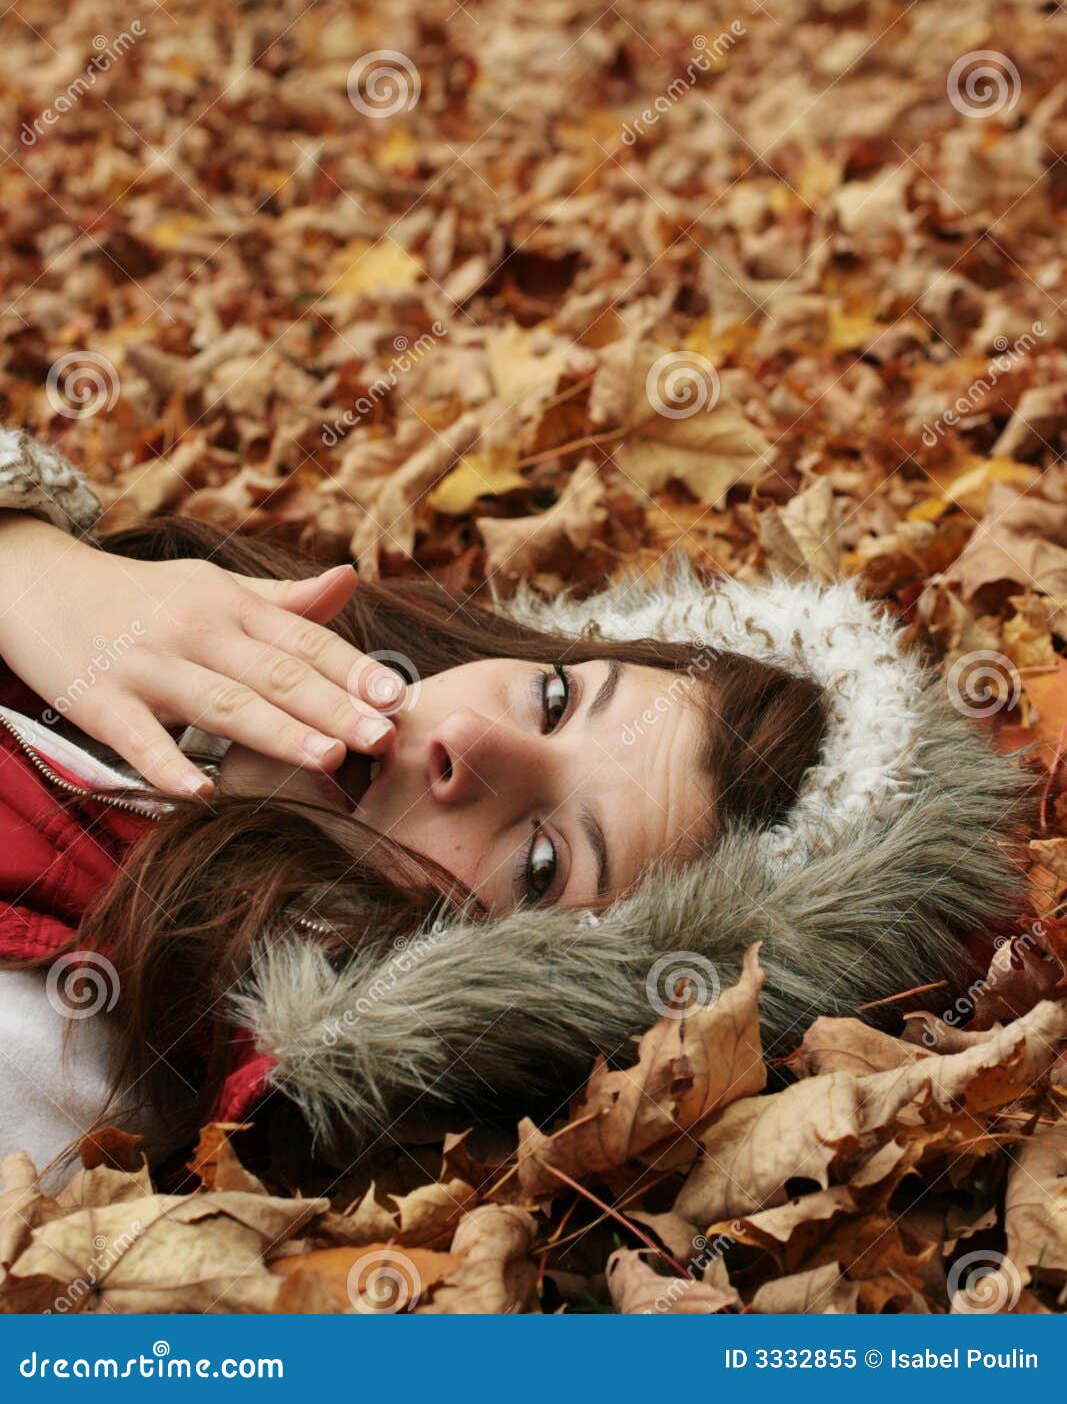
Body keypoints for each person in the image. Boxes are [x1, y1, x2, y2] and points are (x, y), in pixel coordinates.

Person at [0, 425, 1030, 1171]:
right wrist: (38, 561)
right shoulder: (192, 603)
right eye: (554, 695)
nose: (463, 739)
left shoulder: (76, 1032)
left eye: (542, 861)